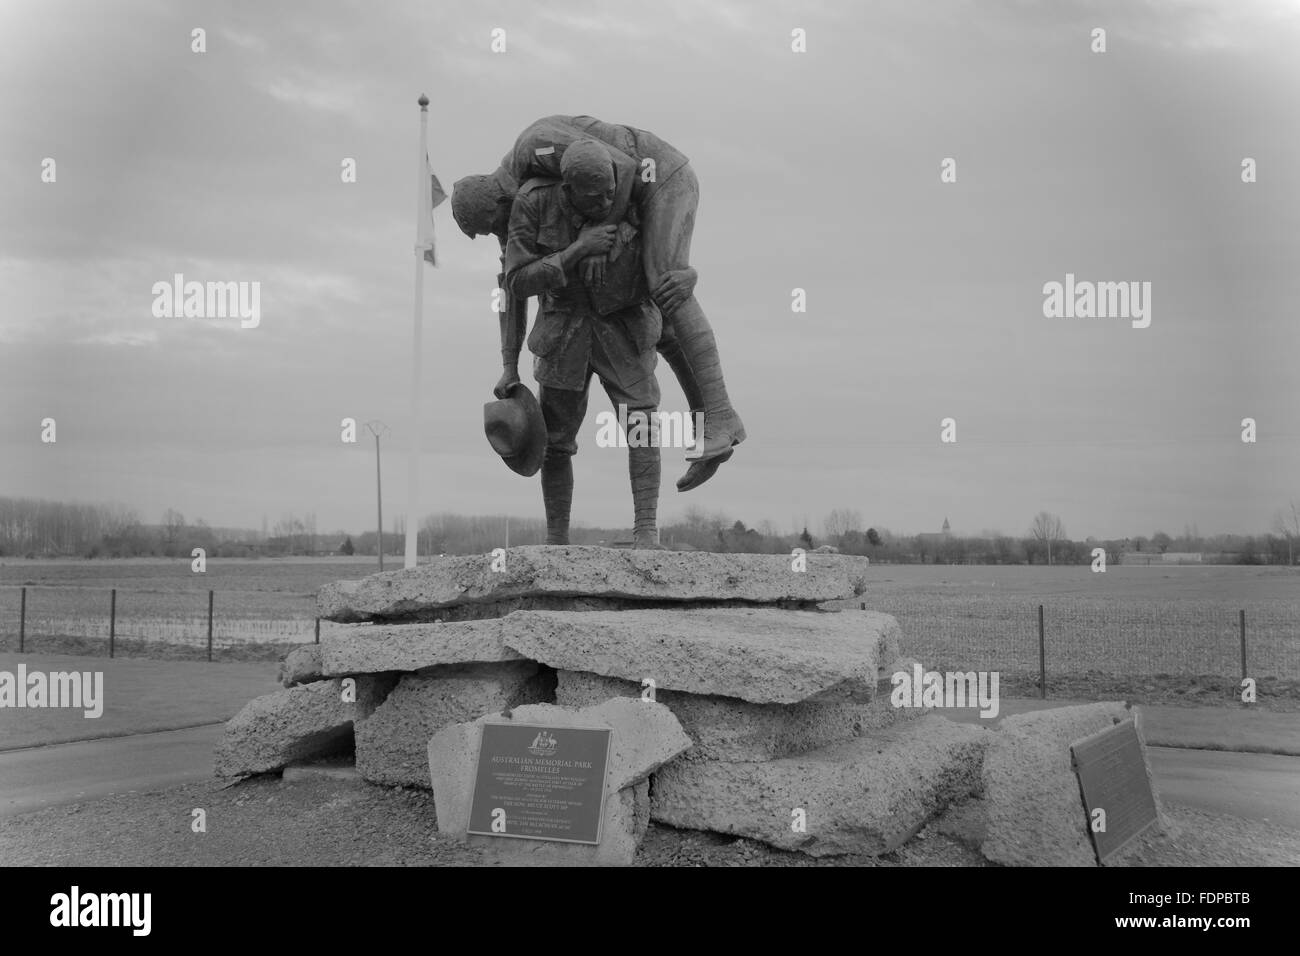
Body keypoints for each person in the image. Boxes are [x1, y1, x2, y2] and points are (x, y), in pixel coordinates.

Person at [453, 114, 744, 492]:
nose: (496, 235)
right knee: (663, 322)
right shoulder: (524, 201)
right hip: (632, 195)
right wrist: (509, 365)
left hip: (661, 177)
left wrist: (596, 230)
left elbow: (621, 167)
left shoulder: (533, 147)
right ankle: (711, 425)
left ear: (494, 200)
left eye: (490, 226)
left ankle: (720, 415)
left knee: (666, 281)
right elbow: (513, 287)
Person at [502, 141, 666, 549]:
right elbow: (516, 281)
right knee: (555, 441)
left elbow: (655, 226)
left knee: (643, 424)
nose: (608, 201)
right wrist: (577, 251)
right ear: (569, 190)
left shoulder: (630, 187)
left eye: (611, 192)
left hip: (622, 322)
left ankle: (646, 531)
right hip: (564, 327)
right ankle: (557, 539)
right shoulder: (532, 202)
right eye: (596, 198)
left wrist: (617, 232)